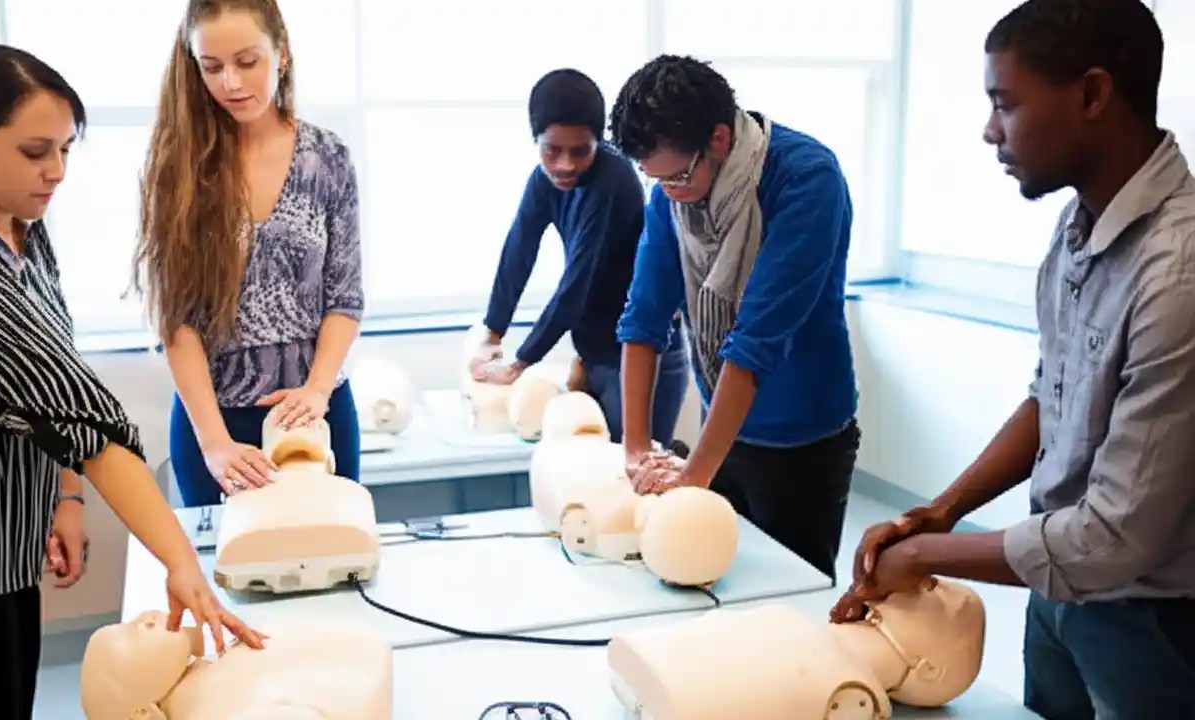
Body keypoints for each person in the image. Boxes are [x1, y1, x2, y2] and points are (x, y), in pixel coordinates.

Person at [831, 1, 1195, 717]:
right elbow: (1051, 398)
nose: (990, 130)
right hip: (1057, 591)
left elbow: (1114, 539)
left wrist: (922, 558)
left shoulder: (1177, 276)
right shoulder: (1079, 226)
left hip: (1150, 620)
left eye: (1006, 104)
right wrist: (940, 514)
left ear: (1092, 94)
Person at [0, 44, 261, 720]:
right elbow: (85, 417)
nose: (57, 172)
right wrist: (180, 563)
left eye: (67, 150)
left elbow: (40, 383)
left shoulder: (16, 219)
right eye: (36, 151)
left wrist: (65, 496)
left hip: (7, 532)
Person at [608, 55, 861, 582]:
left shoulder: (806, 180)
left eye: (677, 175)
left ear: (719, 139)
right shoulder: (672, 196)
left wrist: (696, 474)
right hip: (721, 423)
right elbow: (645, 318)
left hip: (802, 439)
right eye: (655, 179)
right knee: (709, 579)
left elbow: (756, 340)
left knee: (791, 598)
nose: (668, 191)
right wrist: (637, 447)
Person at [134, 0, 364, 507]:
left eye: (247, 61)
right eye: (212, 68)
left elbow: (345, 299)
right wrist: (215, 444)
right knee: (225, 576)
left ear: (280, 54)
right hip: (217, 426)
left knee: (331, 570)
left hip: (317, 415)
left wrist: (317, 391)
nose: (231, 84)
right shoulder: (177, 168)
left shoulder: (328, 159)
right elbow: (176, 321)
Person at [470, 68, 689, 447]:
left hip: (642, 355)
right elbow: (518, 252)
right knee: (596, 474)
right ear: (535, 140)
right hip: (596, 351)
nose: (565, 165)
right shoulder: (543, 181)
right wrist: (492, 332)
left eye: (580, 151)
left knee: (632, 479)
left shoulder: (612, 178)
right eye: (552, 150)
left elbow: (578, 283)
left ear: (598, 141)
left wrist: (519, 362)